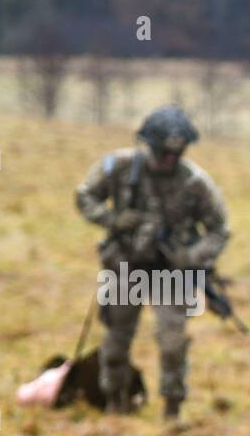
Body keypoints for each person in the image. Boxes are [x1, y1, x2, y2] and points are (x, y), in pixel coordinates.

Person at [74, 106, 230, 419]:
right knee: (116, 340)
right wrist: (114, 220)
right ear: (150, 144)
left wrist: (191, 257)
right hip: (126, 267)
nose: (170, 159)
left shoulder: (195, 182)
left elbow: (219, 230)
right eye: (164, 152)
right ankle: (115, 401)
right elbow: (85, 196)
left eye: (177, 152)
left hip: (172, 273)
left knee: (173, 343)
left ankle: (172, 407)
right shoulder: (118, 166)